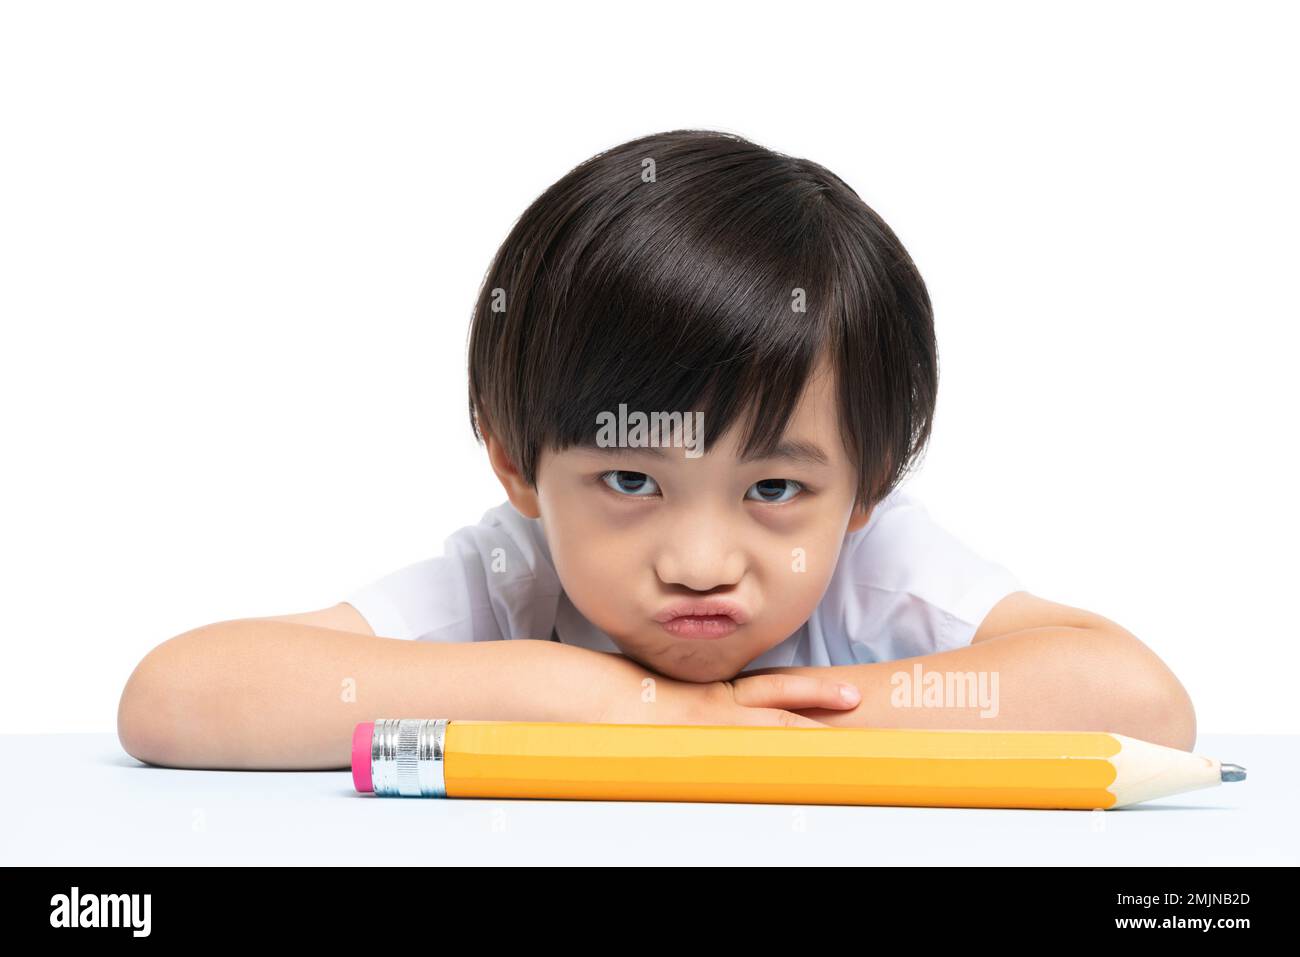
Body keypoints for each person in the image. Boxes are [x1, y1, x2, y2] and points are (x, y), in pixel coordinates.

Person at [118, 130, 1195, 770]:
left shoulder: (872, 576)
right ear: (515, 463)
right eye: (631, 478)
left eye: (775, 487)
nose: (700, 561)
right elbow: (174, 698)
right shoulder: (514, 581)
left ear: (867, 486)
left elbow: (1141, 703)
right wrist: (595, 698)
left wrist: (736, 721)